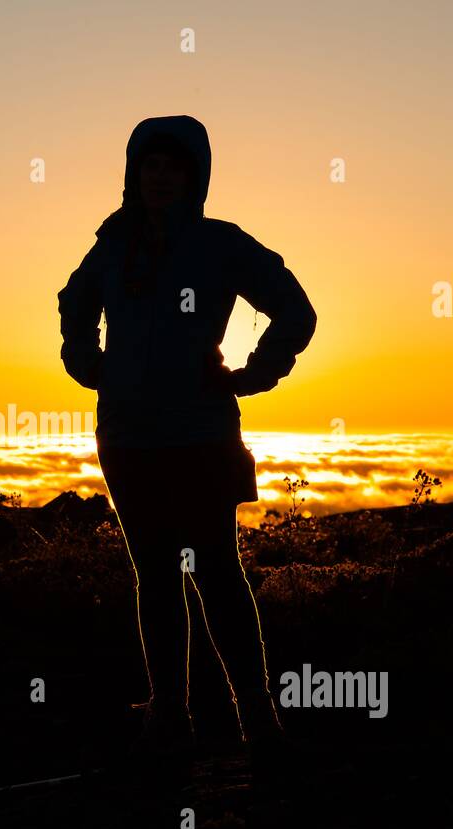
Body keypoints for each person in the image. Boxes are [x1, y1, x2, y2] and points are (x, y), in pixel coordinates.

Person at [57, 115, 317, 759]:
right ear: (134, 173)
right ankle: (170, 717)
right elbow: (73, 300)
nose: (161, 177)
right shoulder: (113, 243)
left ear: (194, 176)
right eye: (151, 166)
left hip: (201, 436)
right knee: (154, 575)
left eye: (174, 167)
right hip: (127, 437)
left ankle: (256, 719)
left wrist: (258, 373)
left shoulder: (220, 245)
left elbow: (296, 309)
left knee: (217, 572)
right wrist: (85, 361)